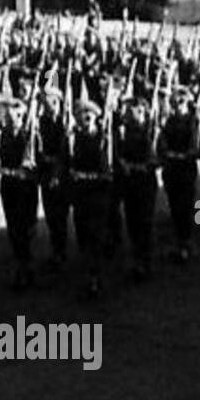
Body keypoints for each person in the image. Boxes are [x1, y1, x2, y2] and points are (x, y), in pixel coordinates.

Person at [68, 98, 112, 297]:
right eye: (80, 116)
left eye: (89, 115)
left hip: (97, 193)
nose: (85, 118)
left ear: (95, 117)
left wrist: (89, 177)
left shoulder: (104, 139)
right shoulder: (72, 139)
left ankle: (95, 275)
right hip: (79, 194)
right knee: (82, 233)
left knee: (96, 233)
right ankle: (87, 270)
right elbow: (65, 163)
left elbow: (108, 170)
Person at [0, 95, 40, 291]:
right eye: (7, 117)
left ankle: (24, 265)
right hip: (7, 184)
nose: (9, 120)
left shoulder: (30, 135)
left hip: (24, 186)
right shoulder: (2, 134)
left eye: (14, 117)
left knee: (24, 226)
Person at [115, 95, 158, 280]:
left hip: (145, 182)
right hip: (129, 182)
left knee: (144, 222)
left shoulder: (151, 132)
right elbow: (116, 152)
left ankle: (145, 261)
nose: (128, 114)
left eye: (133, 111)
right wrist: (122, 162)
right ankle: (136, 259)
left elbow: (158, 157)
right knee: (132, 221)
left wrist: (148, 164)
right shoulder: (125, 132)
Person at [157, 86, 200, 263]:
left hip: (187, 168)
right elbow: (161, 143)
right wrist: (165, 153)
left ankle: (191, 234)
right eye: (174, 102)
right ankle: (181, 238)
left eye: (180, 102)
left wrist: (193, 152)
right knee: (175, 205)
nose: (177, 105)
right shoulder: (168, 121)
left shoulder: (194, 121)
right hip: (171, 169)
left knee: (191, 202)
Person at [36, 84, 70, 267]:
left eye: (48, 99)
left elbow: (65, 152)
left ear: (56, 101)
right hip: (45, 170)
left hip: (62, 173)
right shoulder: (41, 121)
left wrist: (58, 173)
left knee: (60, 213)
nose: (44, 103)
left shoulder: (65, 122)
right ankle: (56, 249)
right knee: (50, 213)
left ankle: (62, 250)